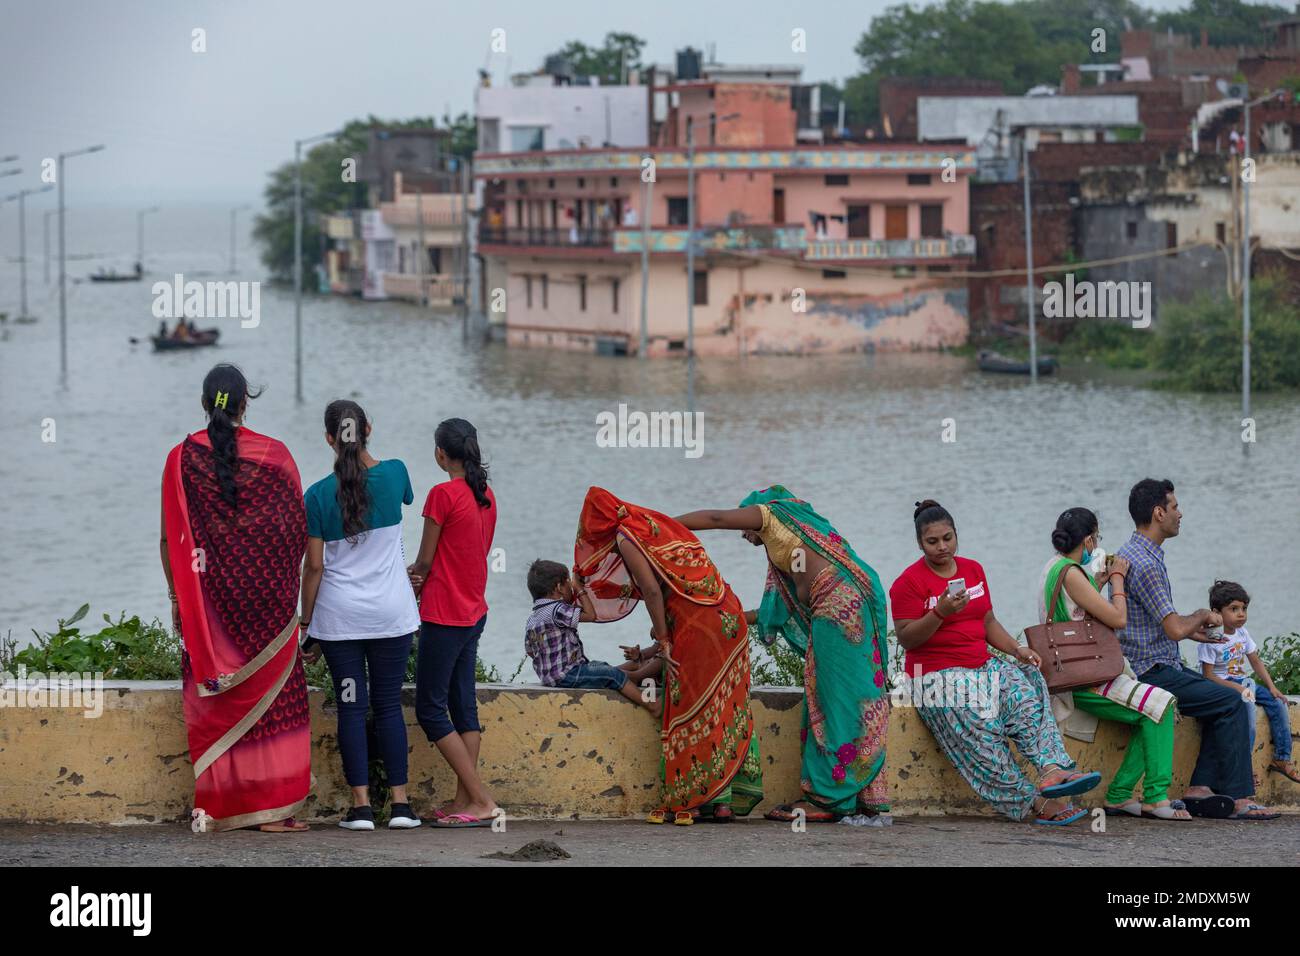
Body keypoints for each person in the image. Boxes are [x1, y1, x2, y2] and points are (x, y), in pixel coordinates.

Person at [675, 486, 891, 822]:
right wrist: (725, 618)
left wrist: (661, 525)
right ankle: (854, 795)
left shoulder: (770, 514)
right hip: (844, 600)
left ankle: (828, 801)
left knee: (834, 697)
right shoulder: (787, 542)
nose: (744, 535)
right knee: (843, 694)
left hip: (838, 603)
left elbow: (716, 518)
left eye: (744, 526)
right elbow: (773, 611)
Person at [159, 364, 311, 832]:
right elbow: (295, 533)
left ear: (206, 404)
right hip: (269, 604)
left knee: (219, 699)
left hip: (209, 609)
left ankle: (221, 805)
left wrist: (178, 597)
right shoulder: (277, 456)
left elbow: (171, 540)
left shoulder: (180, 459)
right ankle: (274, 812)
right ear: (246, 402)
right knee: (276, 699)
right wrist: (279, 588)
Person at [889, 500, 1101, 825]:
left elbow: (987, 622)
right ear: (920, 543)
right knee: (982, 729)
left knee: (1024, 686)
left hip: (980, 665)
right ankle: (1032, 802)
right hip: (936, 676)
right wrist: (940, 612)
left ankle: (1053, 769)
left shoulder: (973, 570)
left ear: (956, 535)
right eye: (933, 542)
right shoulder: (909, 583)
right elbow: (907, 638)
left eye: (948, 538)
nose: (942, 547)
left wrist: (1017, 649)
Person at [574, 486, 763, 825]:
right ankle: (722, 803)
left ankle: (689, 800)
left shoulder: (625, 536)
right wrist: (653, 647)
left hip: (698, 625)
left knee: (689, 710)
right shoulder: (652, 523)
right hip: (727, 616)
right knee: (723, 707)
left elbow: (650, 590)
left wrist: (662, 639)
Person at [1114, 478, 1277, 820]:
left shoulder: (1135, 553)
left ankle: (1200, 788)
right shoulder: (1145, 564)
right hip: (1152, 671)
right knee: (1231, 701)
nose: (1180, 513)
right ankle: (1241, 797)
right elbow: (1173, 626)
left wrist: (1193, 632)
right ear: (1158, 513)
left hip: (1152, 661)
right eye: (1174, 507)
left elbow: (1160, 626)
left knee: (1218, 699)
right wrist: (1203, 615)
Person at [299, 400, 422, 831]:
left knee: (352, 707)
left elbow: (313, 568)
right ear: (369, 426)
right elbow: (403, 497)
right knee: (388, 705)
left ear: (329, 438)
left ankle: (362, 809)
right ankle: (402, 807)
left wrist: (305, 626)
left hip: (340, 623)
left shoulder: (315, 496)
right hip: (391, 617)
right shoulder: (396, 474)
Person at [1039, 508, 1186, 820]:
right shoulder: (1072, 573)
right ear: (1090, 539)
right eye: (1097, 538)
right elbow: (1118, 619)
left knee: (1152, 713)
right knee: (1162, 706)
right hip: (1083, 677)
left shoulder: (1054, 567)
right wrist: (1117, 580)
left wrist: (1098, 584)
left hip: (1070, 669)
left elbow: (1075, 614)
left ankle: (1120, 795)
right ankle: (1156, 797)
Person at [406, 418, 499, 828]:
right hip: (474, 611)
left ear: (441, 454)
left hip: (444, 613)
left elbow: (425, 561)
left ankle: (480, 798)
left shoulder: (441, 495)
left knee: (429, 707)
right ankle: (466, 801)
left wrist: (406, 583)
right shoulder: (486, 496)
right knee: (463, 706)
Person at [523, 559, 662, 714]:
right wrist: (580, 589)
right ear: (559, 588)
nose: (572, 588)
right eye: (568, 584)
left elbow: (530, 651)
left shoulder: (533, 618)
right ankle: (652, 705)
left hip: (550, 677)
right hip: (568, 675)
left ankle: (634, 673)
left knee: (600, 666)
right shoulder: (557, 609)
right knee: (610, 674)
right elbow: (590, 615)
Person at [1200, 580, 1299, 785]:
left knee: (1278, 703)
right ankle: (1243, 770)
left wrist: (1272, 687)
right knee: (1249, 722)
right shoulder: (1211, 639)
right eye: (1234, 609)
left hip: (1244, 683)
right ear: (1216, 612)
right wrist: (1237, 688)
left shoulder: (1242, 633)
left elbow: (1255, 661)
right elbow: (1208, 677)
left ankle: (1282, 758)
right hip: (1224, 686)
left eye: (1244, 609)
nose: (1241, 614)